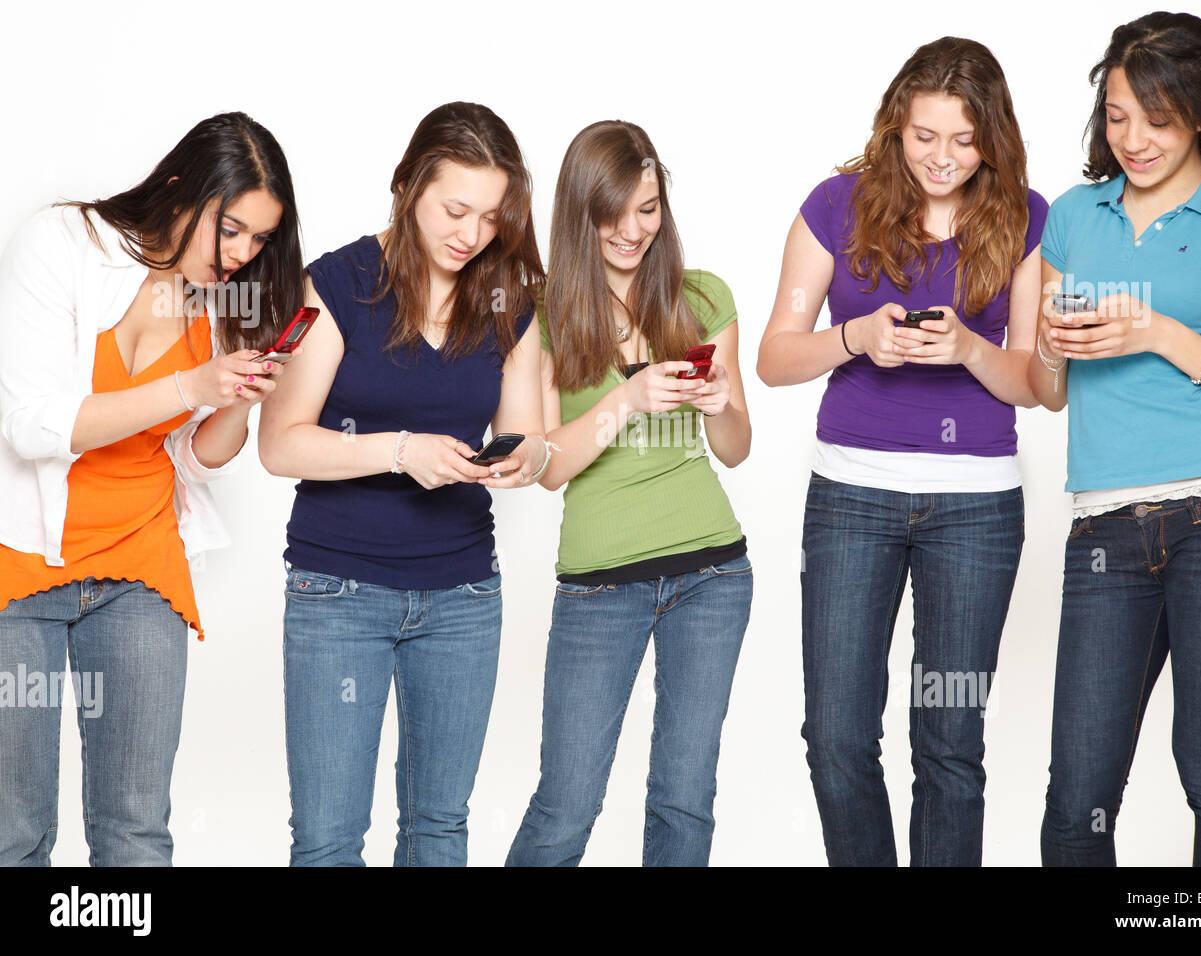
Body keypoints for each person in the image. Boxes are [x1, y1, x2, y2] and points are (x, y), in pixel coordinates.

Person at [757, 36, 1046, 866]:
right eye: (925, 137)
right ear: (895, 126)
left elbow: (1032, 379)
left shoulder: (1028, 217)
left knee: (950, 741)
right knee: (838, 734)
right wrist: (853, 337)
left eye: (963, 140)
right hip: (851, 499)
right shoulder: (833, 205)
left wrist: (966, 351)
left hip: (977, 510)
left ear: (991, 136)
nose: (943, 158)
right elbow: (776, 359)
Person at [1030, 12, 1201, 866]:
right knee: (1076, 801)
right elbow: (1046, 392)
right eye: (1116, 116)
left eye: (1158, 118)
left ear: (1199, 114)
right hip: (1105, 526)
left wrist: (1159, 333)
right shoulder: (1073, 216)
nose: (1135, 138)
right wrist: (1043, 342)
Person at [0, 111, 303, 865]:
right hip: (21, 568)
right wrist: (189, 383)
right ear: (180, 188)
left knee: (135, 832)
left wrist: (238, 393)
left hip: (139, 569)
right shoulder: (62, 243)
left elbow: (195, 460)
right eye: (229, 229)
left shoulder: (219, 306)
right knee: (16, 831)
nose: (240, 255)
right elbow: (33, 426)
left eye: (259, 240)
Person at [258, 102, 548, 867]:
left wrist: (528, 459)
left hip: (463, 599)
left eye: (491, 217)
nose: (472, 233)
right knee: (327, 841)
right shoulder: (337, 285)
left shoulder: (506, 298)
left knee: (437, 830)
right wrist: (398, 451)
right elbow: (281, 445)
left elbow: (526, 433)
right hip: (337, 595)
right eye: (455, 209)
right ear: (407, 187)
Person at [506, 120, 753, 867]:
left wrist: (718, 406)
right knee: (567, 803)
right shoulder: (543, 314)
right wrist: (629, 400)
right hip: (598, 585)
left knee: (684, 800)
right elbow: (548, 465)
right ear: (581, 211)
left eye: (649, 209)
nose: (633, 228)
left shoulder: (702, 297)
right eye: (615, 211)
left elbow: (738, 451)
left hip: (712, 571)